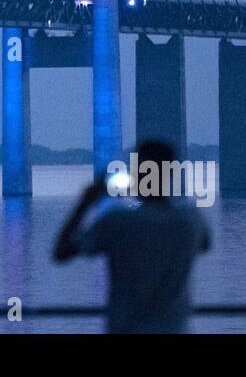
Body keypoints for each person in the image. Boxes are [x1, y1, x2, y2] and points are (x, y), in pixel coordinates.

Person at [53, 139, 211, 333]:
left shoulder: (118, 222)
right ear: (172, 173)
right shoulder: (191, 220)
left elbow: (61, 252)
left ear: (136, 173)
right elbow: (205, 244)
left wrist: (86, 202)